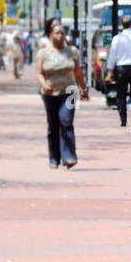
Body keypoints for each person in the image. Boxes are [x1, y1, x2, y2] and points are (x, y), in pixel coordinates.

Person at [36, 21, 88, 169]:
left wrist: (83, 89)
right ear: (51, 35)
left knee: (66, 121)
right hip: (50, 92)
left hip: (70, 90)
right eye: (57, 33)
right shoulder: (43, 52)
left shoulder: (72, 51)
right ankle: (54, 158)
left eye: (62, 33)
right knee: (53, 124)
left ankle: (69, 157)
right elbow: (39, 73)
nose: (60, 36)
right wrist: (44, 85)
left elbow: (78, 72)